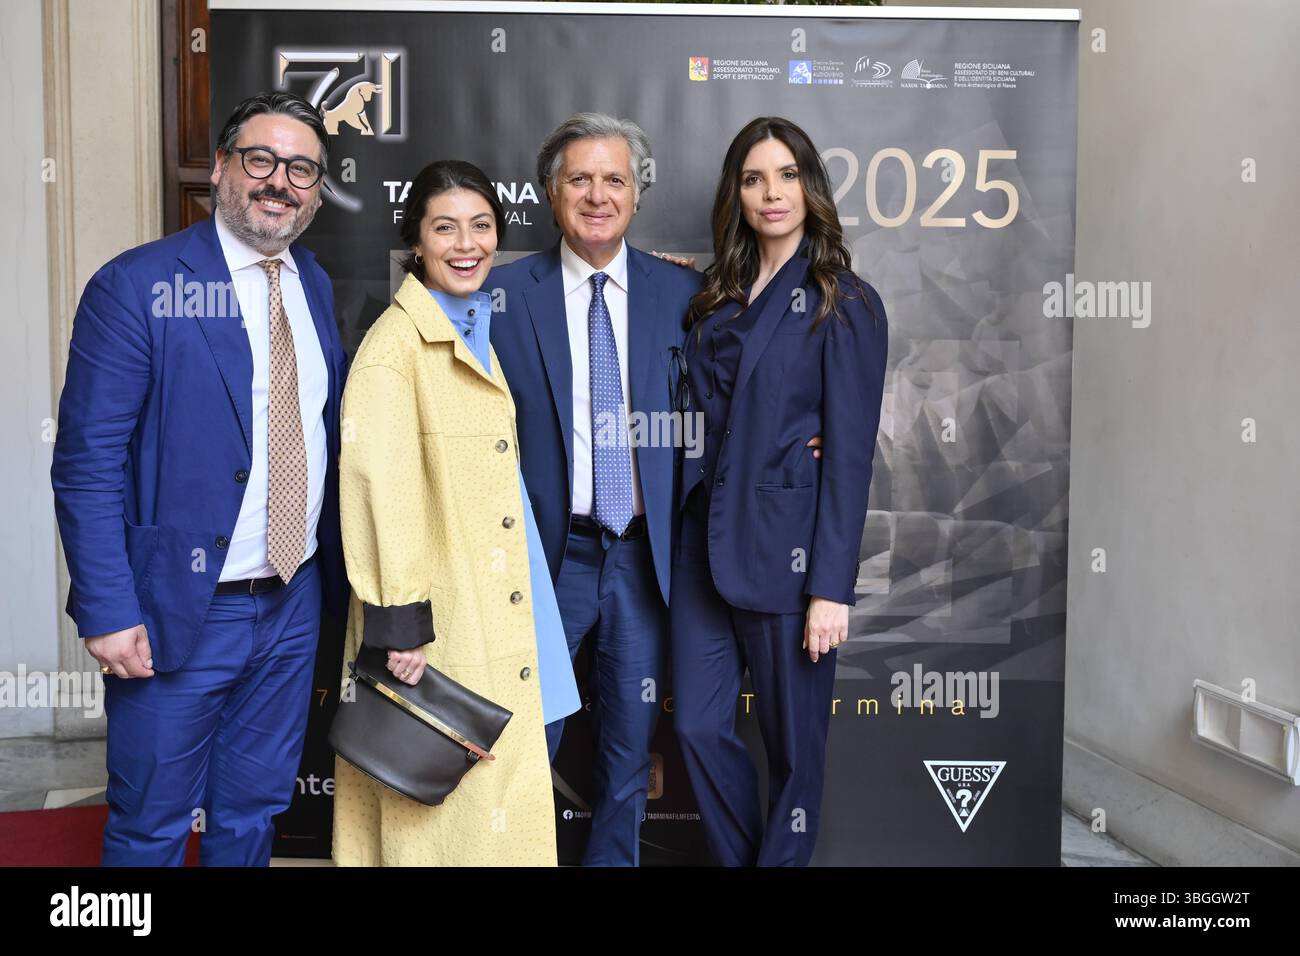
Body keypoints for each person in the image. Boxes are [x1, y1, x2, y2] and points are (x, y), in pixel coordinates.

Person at [51, 91, 348, 866]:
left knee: (252, 815)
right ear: (220, 169)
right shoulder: (139, 285)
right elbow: (86, 465)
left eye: (302, 169)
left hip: (290, 604)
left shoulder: (312, 283)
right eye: (261, 160)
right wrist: (108, 609)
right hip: (176, 610)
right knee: (151, 825)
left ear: (317, 190)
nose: (279, 181)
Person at [331, 160, 580, 867]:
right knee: (445, 819)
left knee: (491, 805)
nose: (466, 244)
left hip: (498, 602)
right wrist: (400, 622)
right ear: (416, 242)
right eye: (445, 228)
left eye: (481, 226)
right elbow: (379, 486)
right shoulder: (394, 348)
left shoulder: (468, 325)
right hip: (439, 626)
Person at [670, 116, 889, 866]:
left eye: (788, 175)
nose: (772, 193)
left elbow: (851, 456)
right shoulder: (714, 295)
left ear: (810, 187)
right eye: (755, 177)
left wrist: (831, 588)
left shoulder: (842, 301)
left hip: (790, 561)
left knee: (795, 758)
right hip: (703, 548)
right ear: (737, 189)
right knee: (698, 728)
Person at [487, 113, 702, 866]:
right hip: (548, 566)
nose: (597, 194)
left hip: (643, 565)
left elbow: (742, 394)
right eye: (579, 178)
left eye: (614, 178)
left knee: (625, 757)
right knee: (520, 748)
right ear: (551, 193)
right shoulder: (502, 295)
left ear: (636, 195)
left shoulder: (685, 294)